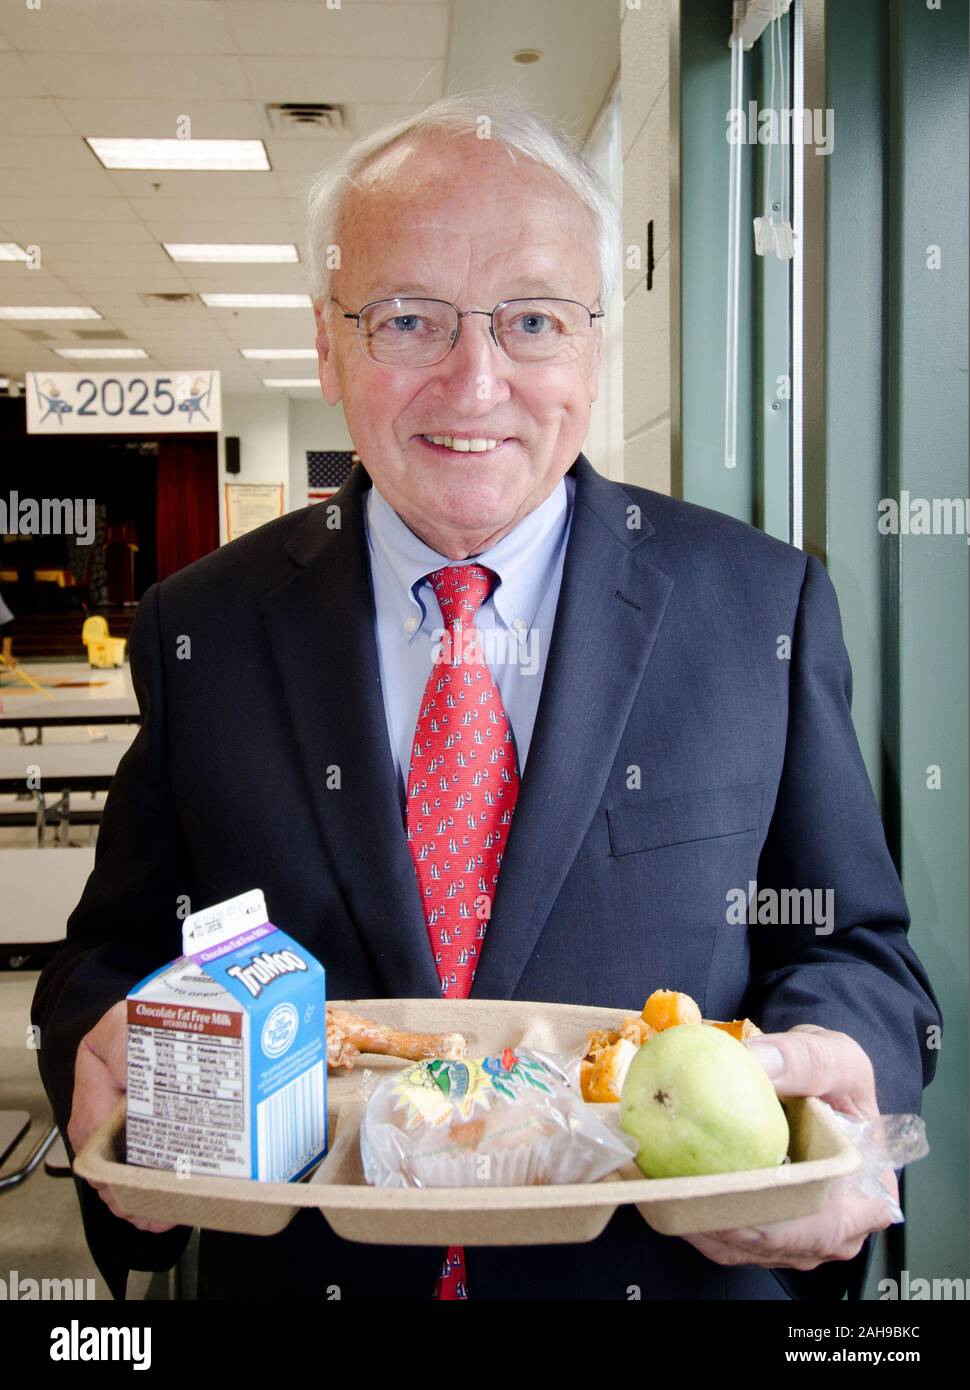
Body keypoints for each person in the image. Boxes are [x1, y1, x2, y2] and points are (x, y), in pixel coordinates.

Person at [31, 91, 941, 1302]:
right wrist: (107, 1034)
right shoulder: (205, 628)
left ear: (593, 344)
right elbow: (117, 951)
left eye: (531, 319)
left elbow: (854, 951)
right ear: (327, 344)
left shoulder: (755, 608)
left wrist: (842, 1073)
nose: (474, 384)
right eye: (408, 318)